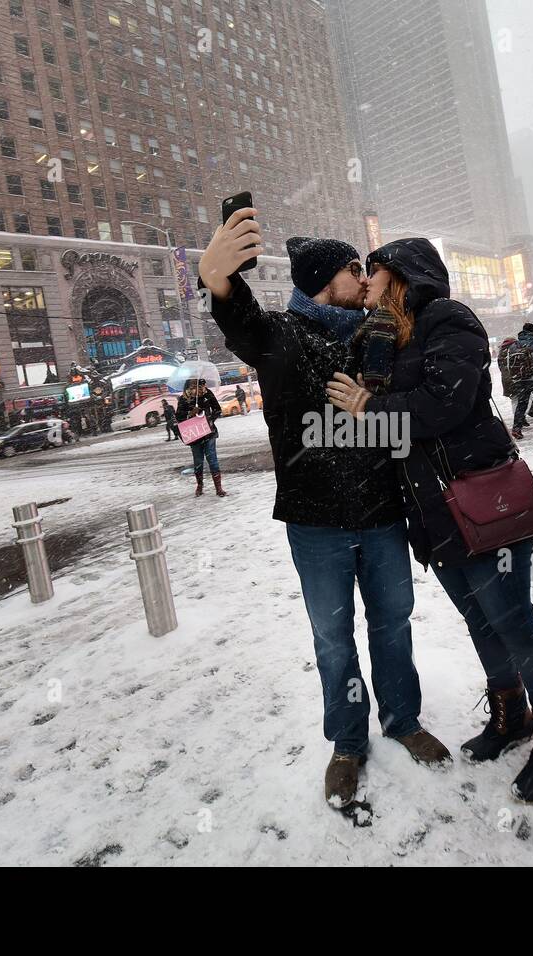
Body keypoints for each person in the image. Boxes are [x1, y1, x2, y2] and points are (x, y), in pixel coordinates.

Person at [199, 208, 449, 810]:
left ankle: (402, 719)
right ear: (322, 280)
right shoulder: (285, 336)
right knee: (334, 638)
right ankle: (346, 742)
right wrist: (220, 285)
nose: (364, 279)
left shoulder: (379, 334)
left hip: (383, 512)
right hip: (316, 523)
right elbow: (247, 325)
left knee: (393, 622)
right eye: (352, 270)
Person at [327, 238, 533, 803]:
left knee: (515, 623)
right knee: (481, 623)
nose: (366, 280)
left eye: (375, 270)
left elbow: (447, 404)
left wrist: (370, 407)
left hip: (479, 502)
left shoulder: (448, 321)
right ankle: (510, 714)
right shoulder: (385, 338)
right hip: (432, 512)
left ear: (405, 275)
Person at [175, 379, 227, 497]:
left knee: (212, 460)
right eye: (192, 386)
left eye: (197, 385)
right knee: (198, 461)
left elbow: (217, 409)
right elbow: (178, 416)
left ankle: (218, 488)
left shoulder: (207, 394)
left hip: (209, 433)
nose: (196, 388)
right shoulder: (184, 399)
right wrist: (190, 414)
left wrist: (208, 420)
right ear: (188, 386)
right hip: (195, 434)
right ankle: (200, 485)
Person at [497, 336, 532, 428]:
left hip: (506, 380)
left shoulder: (501, 352)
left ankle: (520, 418)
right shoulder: (515, 349)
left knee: (514, 400)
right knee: (525, 399)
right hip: (516, 378)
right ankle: (520, 418)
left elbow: (500, 367)